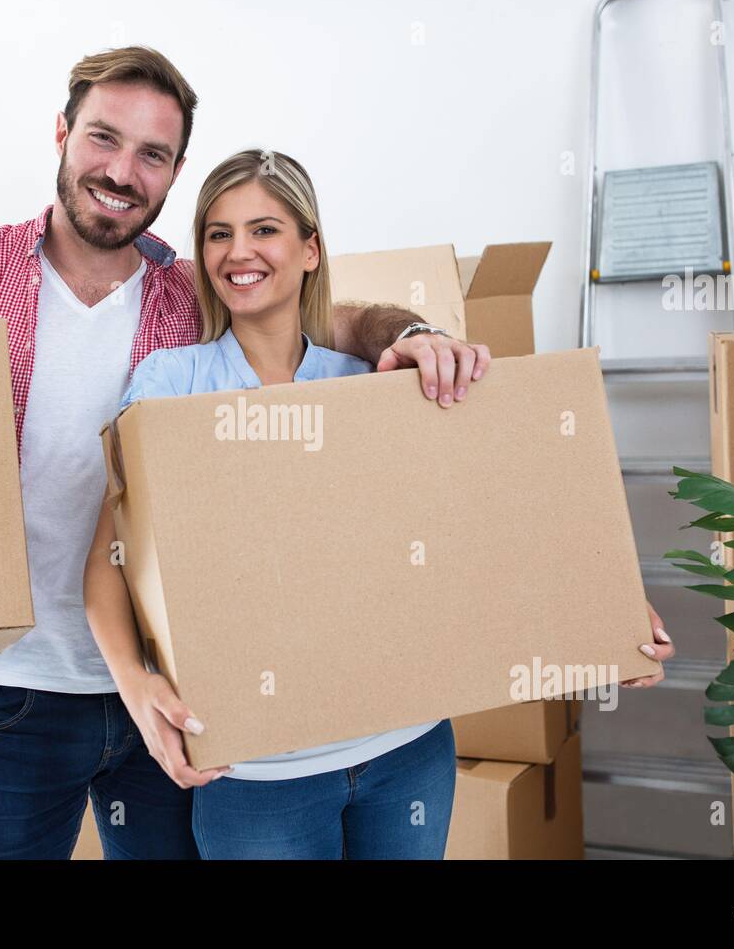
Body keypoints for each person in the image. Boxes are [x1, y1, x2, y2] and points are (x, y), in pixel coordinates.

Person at [0, 45, 524, 860]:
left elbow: (342, 322)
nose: (121, 170)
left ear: (174, 172)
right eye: (104, 138)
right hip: (22, 692)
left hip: (177, 691)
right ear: (63, 133)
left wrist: (417, 334)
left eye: (152, 154)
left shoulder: (199, 297)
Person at [85, 149, 466, 858]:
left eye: (264, 229)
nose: (239, 252)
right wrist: (136, 689)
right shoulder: (173, 385)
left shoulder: (372, 381)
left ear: (310, 248)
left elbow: (461, 533)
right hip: (259, 774)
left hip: (405, 744)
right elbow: (110, 562)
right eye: (218, 234)